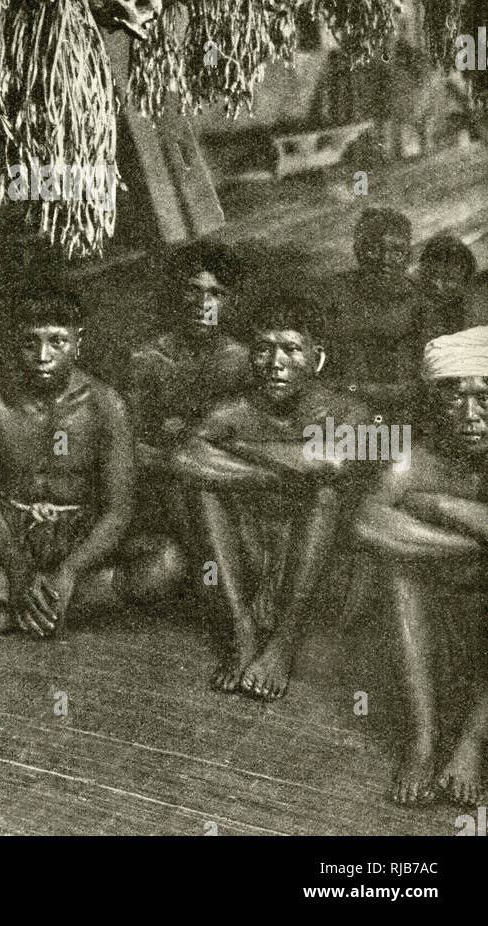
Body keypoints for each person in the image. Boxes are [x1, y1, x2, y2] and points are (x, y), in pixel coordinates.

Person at [0, 281, 184, 643]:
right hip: (11, 539)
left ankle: (5, 618)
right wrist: (19, 568)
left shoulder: (107, 405)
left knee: (169, 562)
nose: (43, 356)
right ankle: (43, 609)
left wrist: (71, 569)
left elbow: (119, 512)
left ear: (78, 342)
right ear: (15, 343)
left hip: (80, 543)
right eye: (30, 343)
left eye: (57, 341)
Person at [172, 294, 381, 701]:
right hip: (246, 561)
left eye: (290, 349)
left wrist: (238, 450)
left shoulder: (347, 409)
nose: (275, 363)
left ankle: (284, 641)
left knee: (324, 494)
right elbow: (183, 457)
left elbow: (334, 462)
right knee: (202, 488)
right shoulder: (233, 409)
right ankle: (241, 629)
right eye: (264, 349)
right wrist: (284, 470)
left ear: (316, 356)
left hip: (320, 575)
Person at [354, 327, 488, 806]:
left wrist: (441, 507)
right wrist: (472, 544)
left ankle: (472, 742)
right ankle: (424, 738)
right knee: (400, 577)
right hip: (439, 617)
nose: (471, 416)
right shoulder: (414, 460)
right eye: (456, 400)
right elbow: (368, 524)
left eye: (484, 398)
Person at [129, 244, 249, 456]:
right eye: (193, 290)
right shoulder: (146, 359)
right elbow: (131, 441)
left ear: (231, 302)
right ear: (176, 293)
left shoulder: (242, 360)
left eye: (216, 294)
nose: (203, 304)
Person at [327, 207, 420, 415]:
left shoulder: (419, 301)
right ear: (358, 251)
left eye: (397, 252)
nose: (385, 260)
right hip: (341, 404)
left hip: (404, 408)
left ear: (408, 255)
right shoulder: (334, 293)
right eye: (374, 250)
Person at [412, 234, 477, 345]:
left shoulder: (468, 315)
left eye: (448, 278)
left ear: (464, 281)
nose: (437, 285)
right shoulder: (414, 305)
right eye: (432, 276)